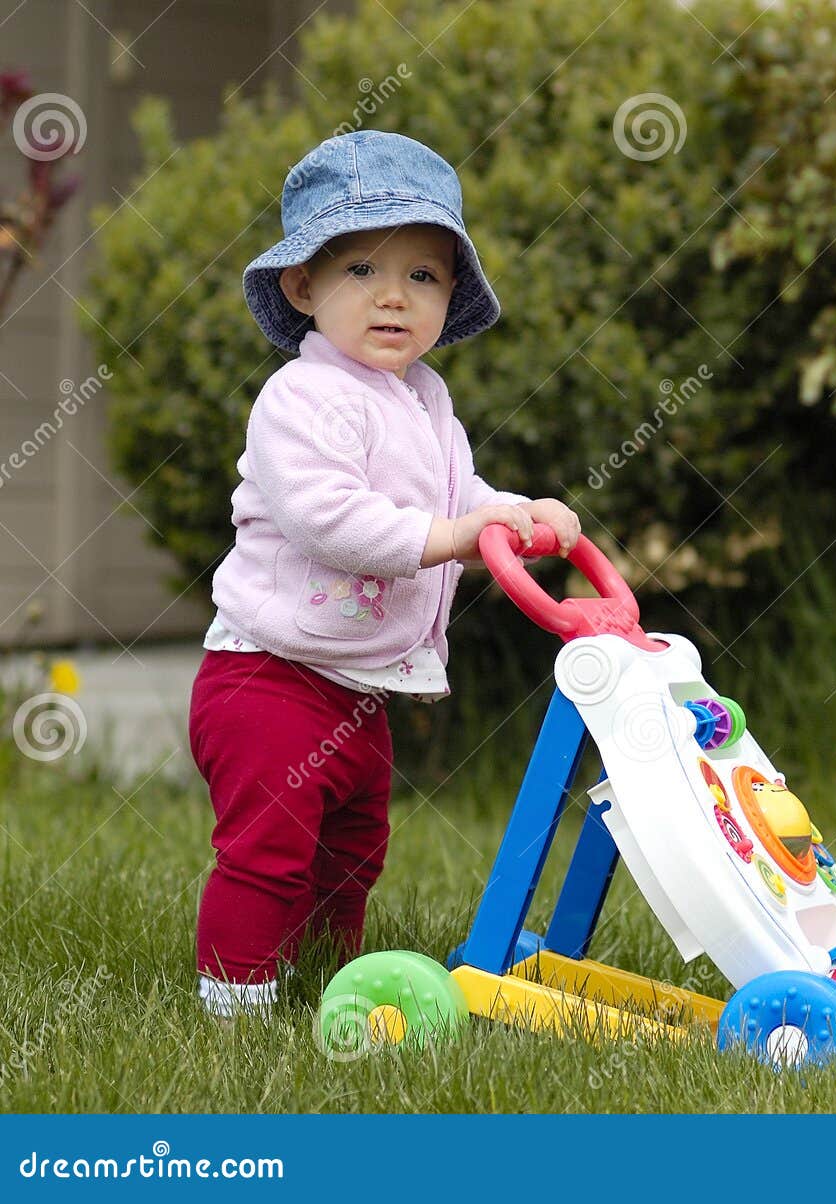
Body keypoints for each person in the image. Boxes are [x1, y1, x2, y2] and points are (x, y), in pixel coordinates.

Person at [187, 130, 580, 1018]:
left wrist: (520, 514)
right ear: (304, 286)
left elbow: (460, 494)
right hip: (269, 674)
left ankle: (330, 979)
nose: (395, 296)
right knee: (271, 846)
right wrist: (455, 533)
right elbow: (332, 520)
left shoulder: (426, 398)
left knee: (353, 849)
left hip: (358, 683)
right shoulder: (302, 399)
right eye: (362, 270)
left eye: (425, 276)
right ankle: (233, 1003)